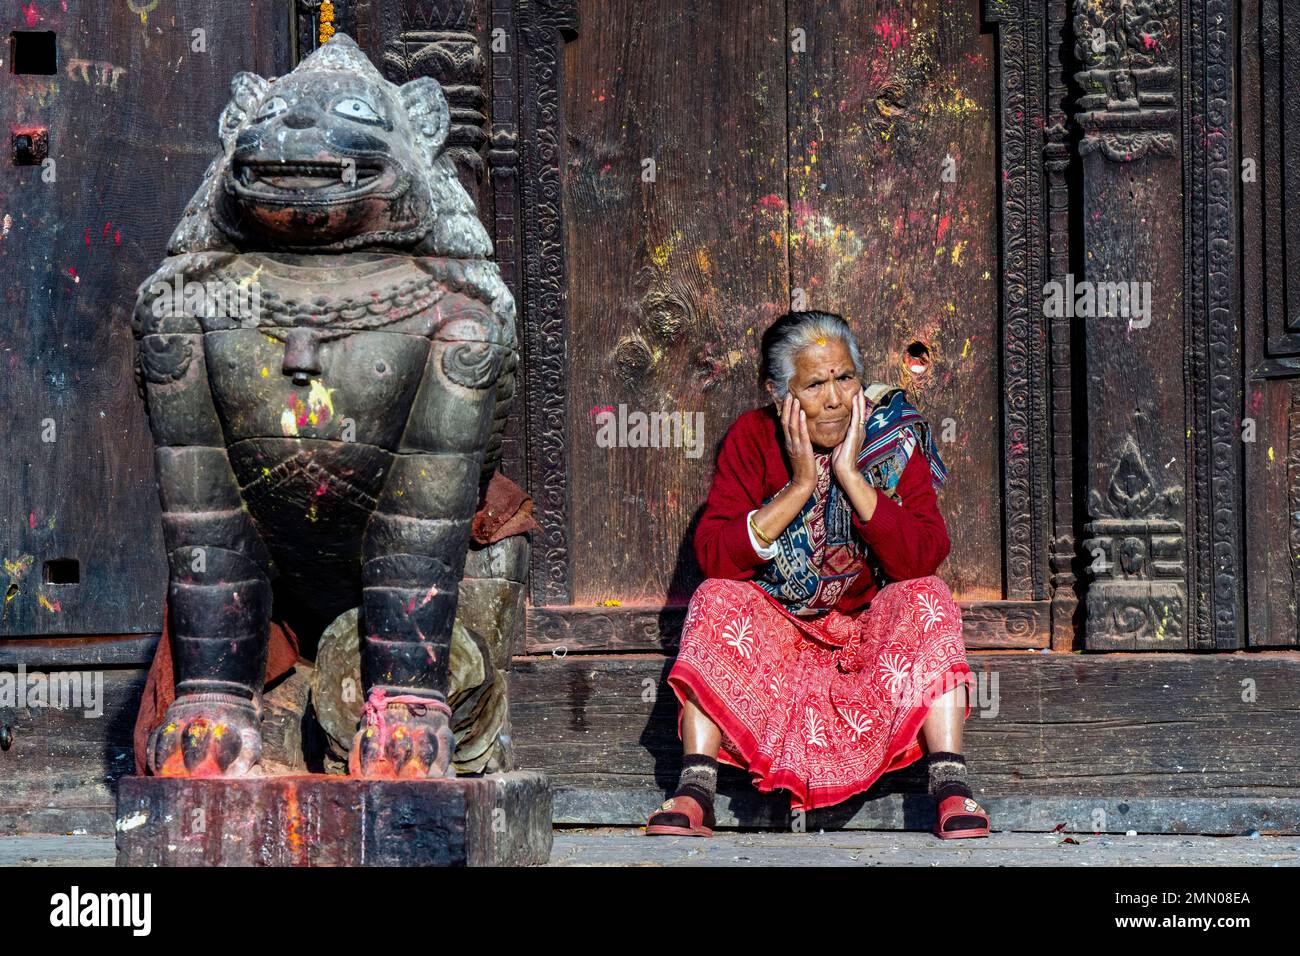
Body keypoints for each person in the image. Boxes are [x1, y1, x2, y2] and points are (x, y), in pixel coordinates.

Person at [645, 310, 989, 839]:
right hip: (777, 631)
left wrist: (851, 477)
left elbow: (922, 554)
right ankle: (695, 791)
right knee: (715, 598)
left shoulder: (892, 436)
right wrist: (801, 484)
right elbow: (715, 554)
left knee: (929, 595)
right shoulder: (752, 437)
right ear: (779, 393)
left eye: (845, 377)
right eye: (814, 384)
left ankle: (950, 788)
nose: (835, 399)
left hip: (866, 633)